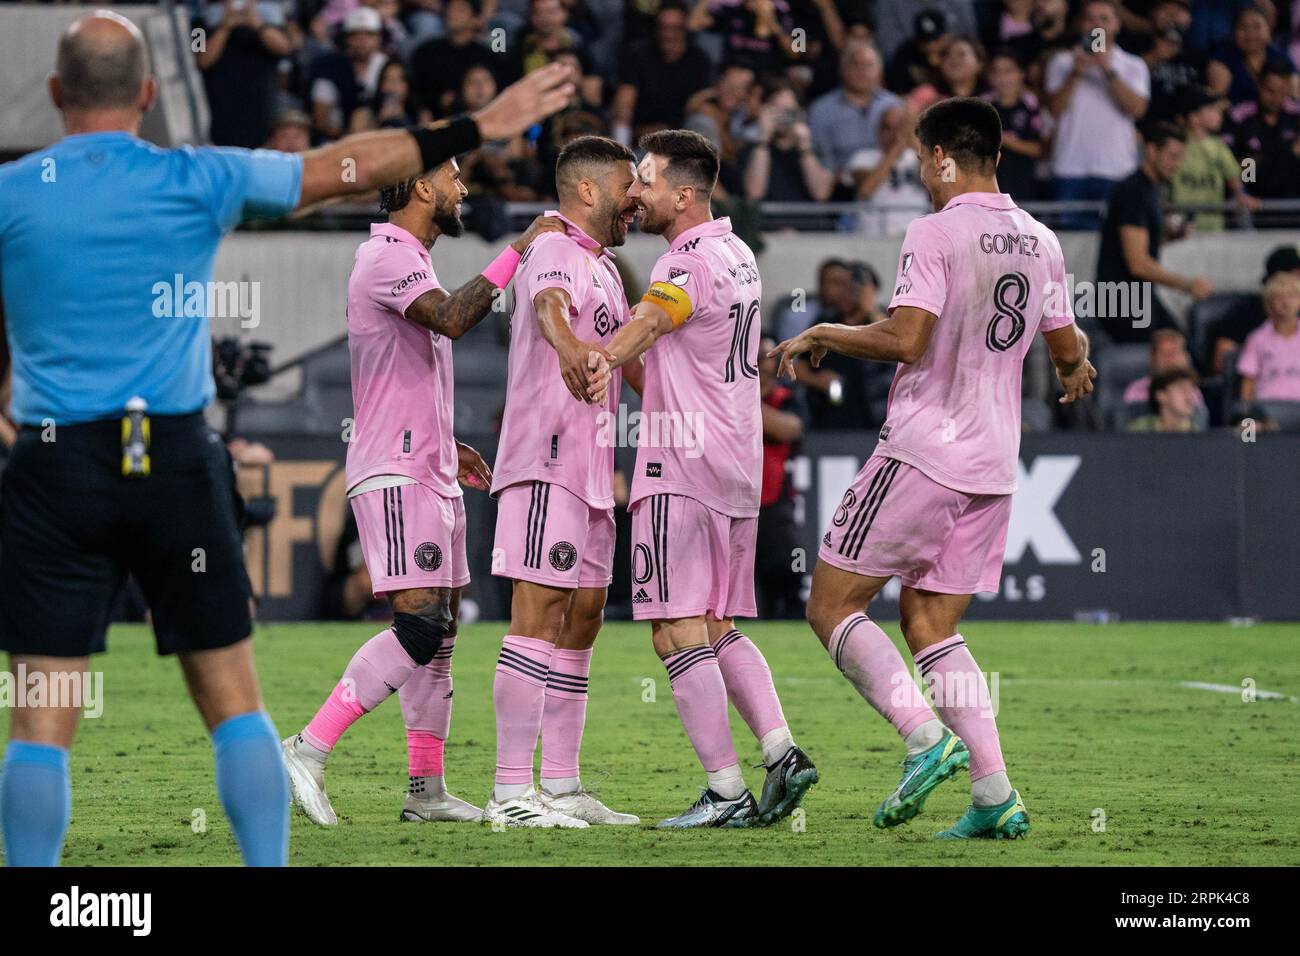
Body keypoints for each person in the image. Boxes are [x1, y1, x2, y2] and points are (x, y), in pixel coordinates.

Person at [0, 9, 573, 867]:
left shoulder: (14, 193)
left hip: (56, 462)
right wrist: (475, 126)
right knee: (235, 706)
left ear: (53, 94)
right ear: (151, 94)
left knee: (41, 715)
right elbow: (343, 167)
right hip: (175, 460)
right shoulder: (197, 174)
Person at [770, 97, 1096, 839]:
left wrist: (826, 330)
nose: (921, 170)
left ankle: (924, 739)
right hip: (993, 464)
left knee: (830, 605)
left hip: (925, 448)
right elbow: (1068, 349)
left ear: (944, 156)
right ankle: (993, 792)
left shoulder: (936, 231)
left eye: (922, 157)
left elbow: (908, 337)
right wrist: (1078, 371)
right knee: (928, 621)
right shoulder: (1040, 238)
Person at [281, 166, 563, 827]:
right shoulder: (384, 257)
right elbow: (452, 318)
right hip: (395, 472)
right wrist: (518, 250)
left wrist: (447, 440)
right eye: (454, 177)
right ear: (423, 188)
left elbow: (408, 367)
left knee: (440, 637)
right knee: (418, 625)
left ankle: (425, 792)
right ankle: (307, 746)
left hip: (428, 466)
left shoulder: (409, 259)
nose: (464, 189)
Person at [599, 129, 818, 829]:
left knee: (671, 626)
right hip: (735, 465)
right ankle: (782, 751)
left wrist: (597, 356)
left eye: (646, 181)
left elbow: (652, 320)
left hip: (680, 465)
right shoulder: (739, 252)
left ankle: (725, 792)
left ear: (683, 194)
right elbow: (677, 356)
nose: (635, 192)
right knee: (717, 623)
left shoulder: (686, 263)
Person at [483, 136, 641, 828]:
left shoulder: (606, 269)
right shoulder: (554, 249)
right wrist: (571, 346)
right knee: (538, 614)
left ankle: (563, 783)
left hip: (589, 471)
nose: (636, 199)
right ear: (586, 190)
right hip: (546, 459)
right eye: (627, 186)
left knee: (582, 620)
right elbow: (548, 308)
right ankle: (510, 793)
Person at [1094, 122, 1212, 344]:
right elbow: (1137, 263)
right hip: (1121, 303)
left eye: (1180, 157)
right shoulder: (1135, 192)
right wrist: (1187, 285)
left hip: (1133, 299)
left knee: (1182, 351)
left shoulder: (1149, 189)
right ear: (1151, 150)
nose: (1177, 164)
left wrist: (1168, 237)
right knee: (1175, 356)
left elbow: (1134, 244)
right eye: (1172, 156)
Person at [1044, 0, 1150, 227]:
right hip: (1070, 168)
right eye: (1091, 18)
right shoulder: (1061, 62)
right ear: (1081, 24)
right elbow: (1054, 111)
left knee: (1114, 247)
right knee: (1070, 248)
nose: (1097, 25)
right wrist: (1074, 74)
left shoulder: (1134, 65)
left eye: (1104, 19)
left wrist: (1107, 68)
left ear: (1117, 25)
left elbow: (1137, 110)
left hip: (1117, 169)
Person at [756, 336, 806, 621]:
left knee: (783, 579)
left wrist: (737, 398)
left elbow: (789, 429)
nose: (763, 364)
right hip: (729, 501)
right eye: (758, 357)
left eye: (768, 356)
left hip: (773, 504)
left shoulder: (788, 399)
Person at [1170, 87, 1260, 231]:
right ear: (1194, 117)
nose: (1219, 114)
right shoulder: (1176, 146)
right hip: (1179, 228)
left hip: (1212, 229)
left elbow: (1237, 179)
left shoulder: (1218, 147)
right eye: (1212, 109)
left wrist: (1244, 194)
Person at [1238, 270, 1300, 403]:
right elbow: (1248, 382)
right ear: (1269, 304)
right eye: (1279, 297)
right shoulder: (1256, 339)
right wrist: (1246, 415)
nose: (1286, 302)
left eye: (1291, 296)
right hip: (1268, 408)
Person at [1126, 366, 1205, 431]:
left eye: (1191, 389)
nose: (1189, 395)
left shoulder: (1199, 437)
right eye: (1182, 388)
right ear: (1161, 396)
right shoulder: (1138, 431)